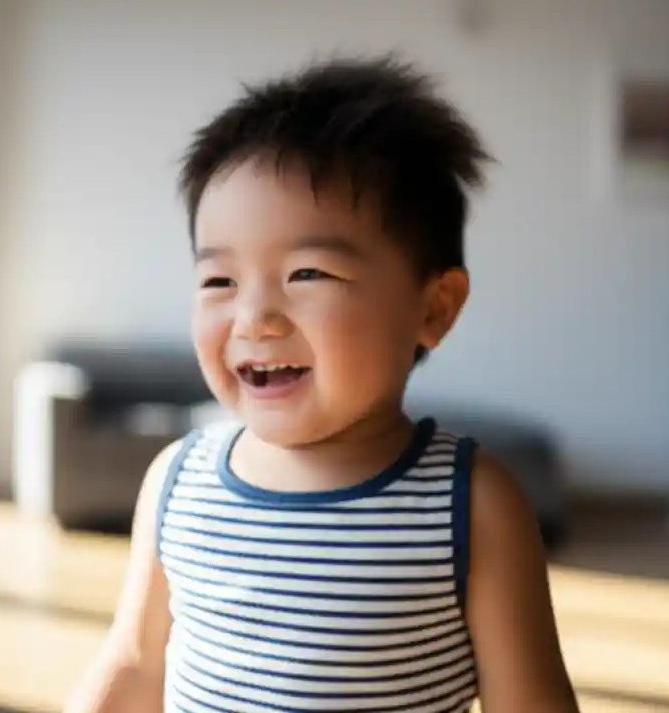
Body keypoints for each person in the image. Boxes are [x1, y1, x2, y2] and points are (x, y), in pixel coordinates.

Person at [66, 55, 577, 713]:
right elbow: (136, 665)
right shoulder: (177, 482)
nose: (254, 317)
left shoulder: (471, 505)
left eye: (308, 273)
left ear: (433, 308)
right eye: (220, 280)